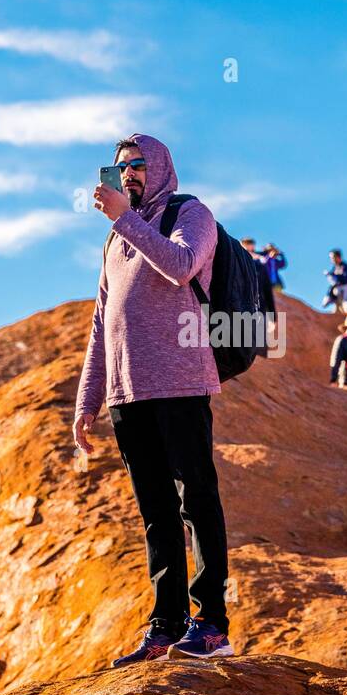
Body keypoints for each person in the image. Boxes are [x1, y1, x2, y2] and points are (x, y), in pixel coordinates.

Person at [73, 134, 233, 664]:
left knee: (196, 501)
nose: (129, 175)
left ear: (160, 167)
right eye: (121, 168)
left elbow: (183, 265)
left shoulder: (191, 214)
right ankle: (165, 625)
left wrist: (125, 219)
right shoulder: (113, 242)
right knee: (155, 512)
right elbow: (102, 324)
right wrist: (86, 402)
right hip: (127, 392)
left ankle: (210, 625)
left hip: (180, 380)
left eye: (139, 166)